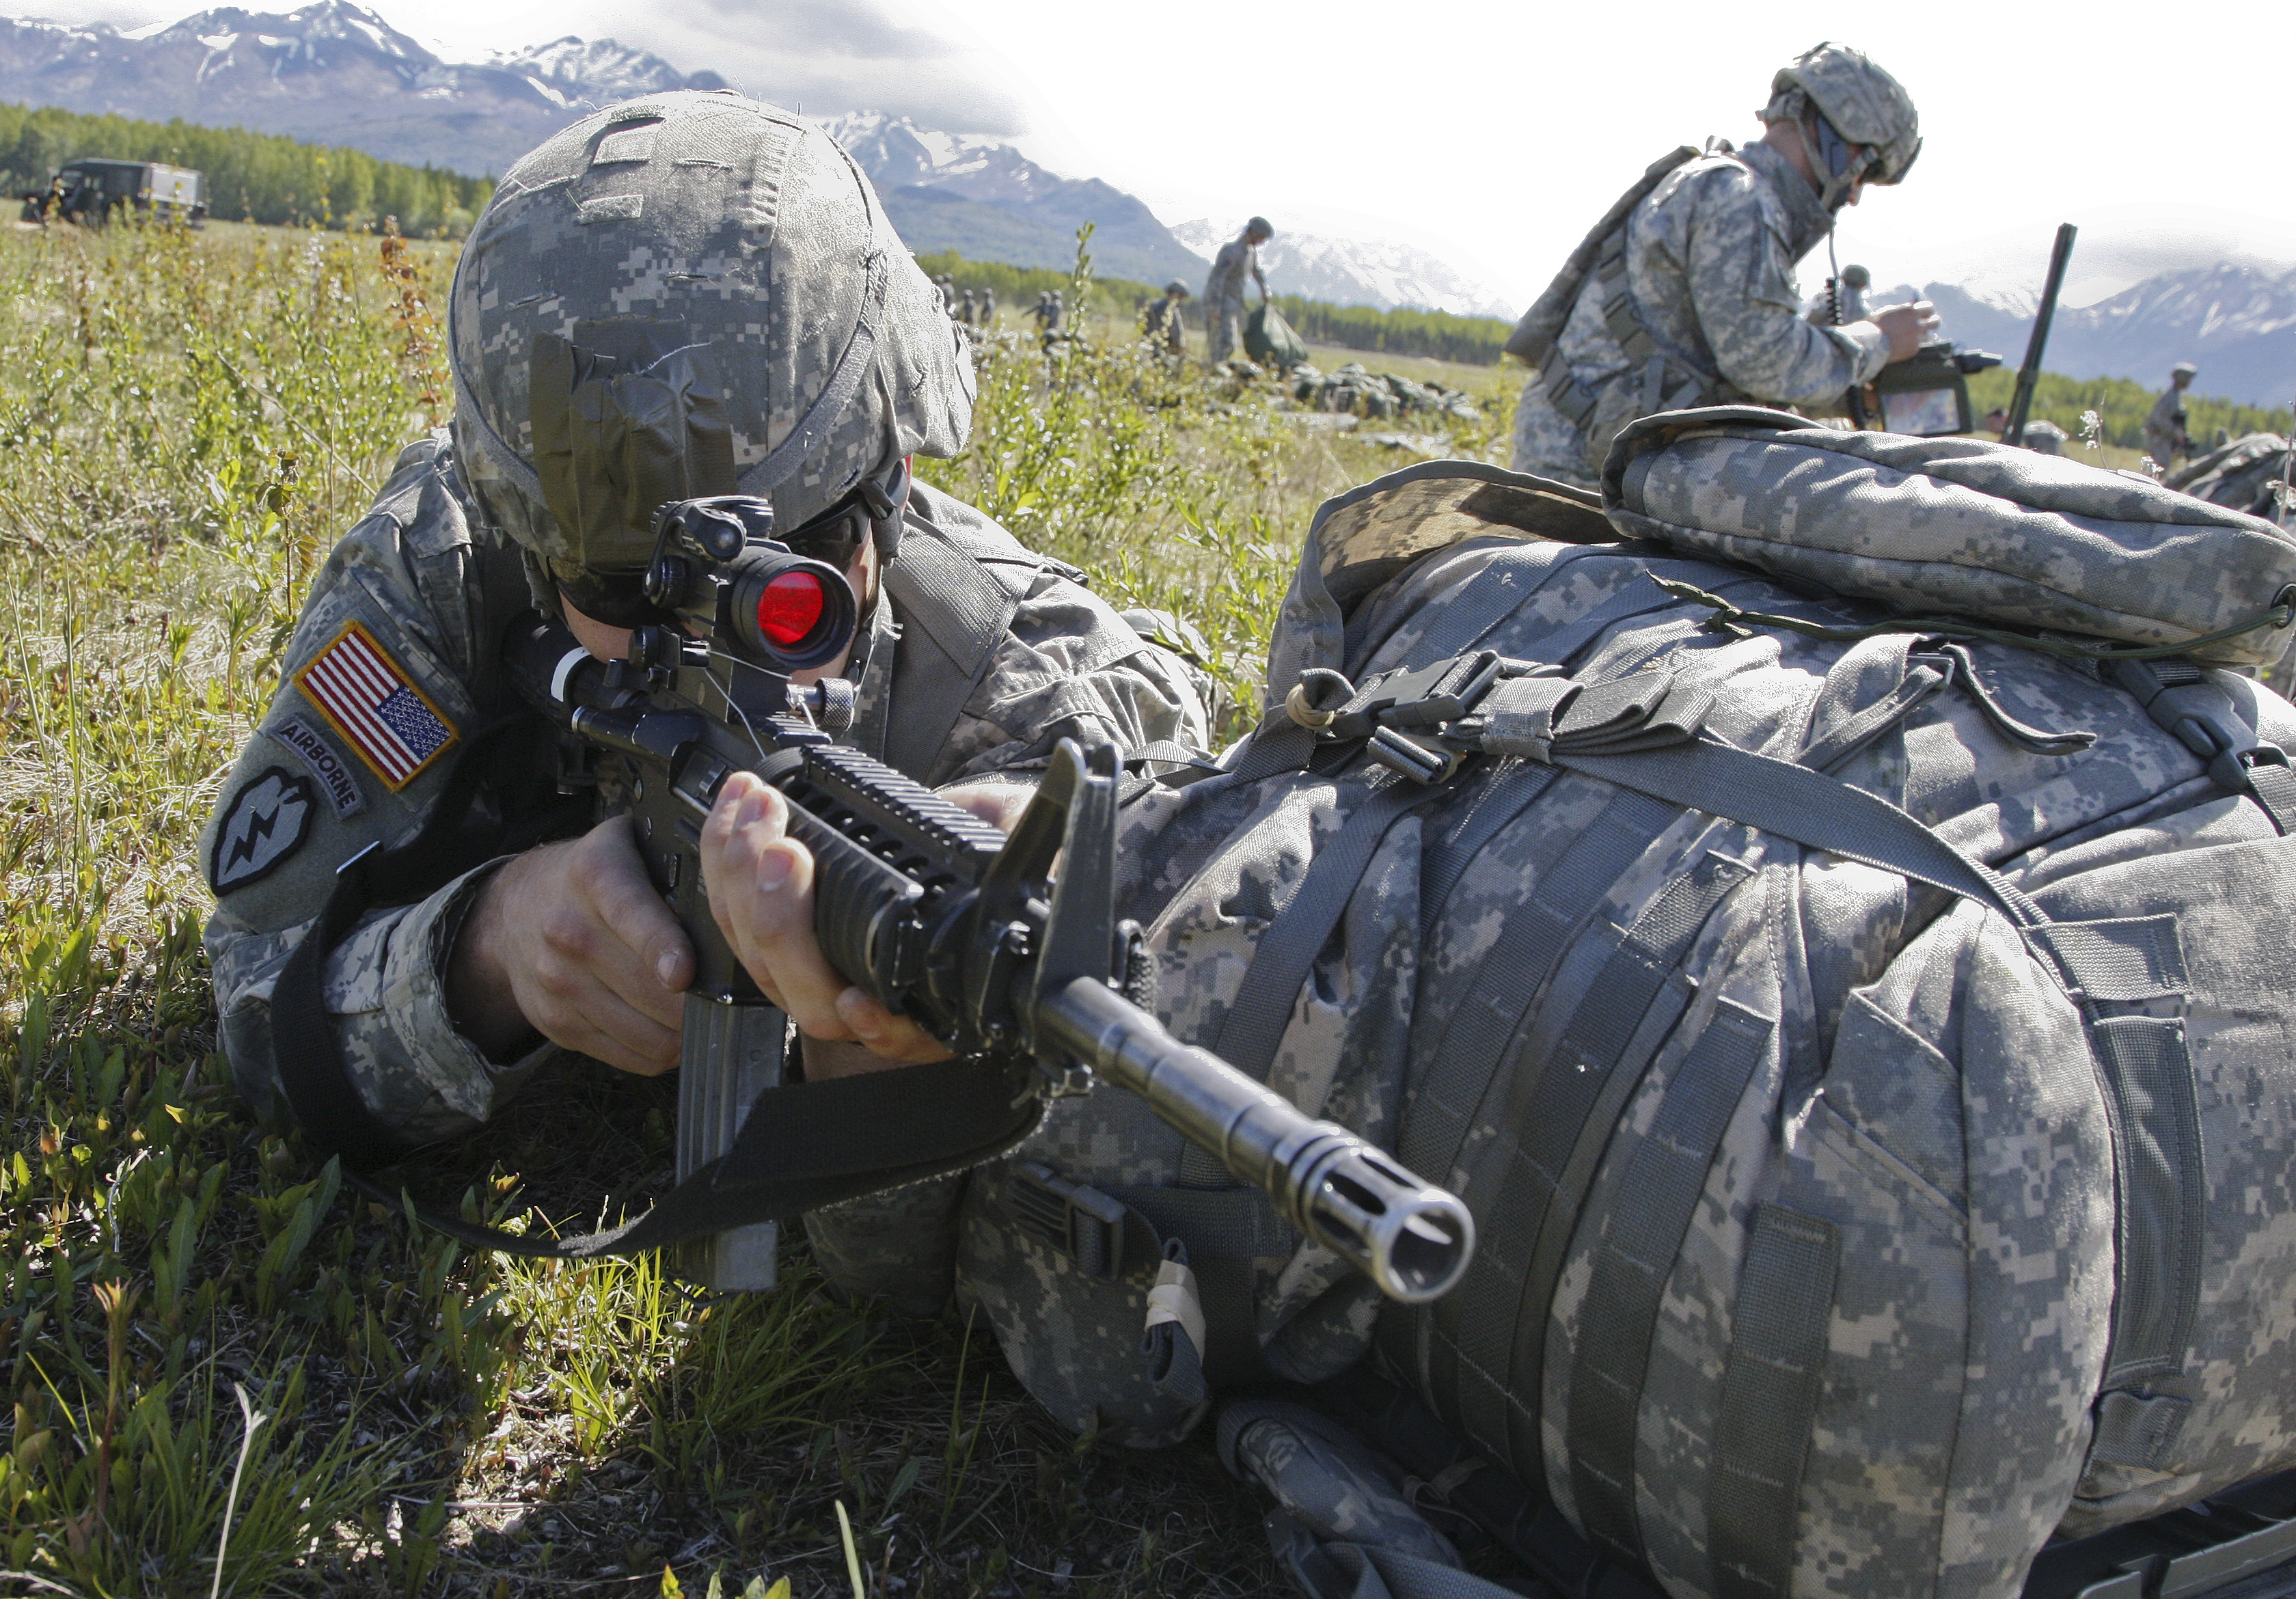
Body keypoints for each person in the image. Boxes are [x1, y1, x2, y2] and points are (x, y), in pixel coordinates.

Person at [200, 90, 1208, 1150]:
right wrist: (487, 953)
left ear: (893, 488)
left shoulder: (1007, 663)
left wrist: (1054, 869)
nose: (701, 646)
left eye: (792, 583)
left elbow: (1188, 816)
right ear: (527, 547)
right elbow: (258, 989)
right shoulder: (444, 572)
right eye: (623, 589)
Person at [1507, 42, 1937, 487]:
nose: (1853, 195)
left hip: (1588, 453)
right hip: (1582, 471)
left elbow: (1723, 369)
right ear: (1837, 139)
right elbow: (1764, 359)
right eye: (1863, 172)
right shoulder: (1741, 199)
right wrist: (1879, 340)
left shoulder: (1729, 188)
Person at [1203, 215, 1272, 365]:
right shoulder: (1232, 252)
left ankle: (1215, 371)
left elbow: (1257, 272)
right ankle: (1212, 373)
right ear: (1252, 233)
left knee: (1228, 345)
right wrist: (1215, 307)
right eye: (1261, 238)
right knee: (1223, 344)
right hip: (1221, 305)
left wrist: (1264, 290)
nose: (1262, 242)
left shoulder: (1251, 253)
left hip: (1233, 305)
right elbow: (1217, 279)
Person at [2146, 361, 2198, 469]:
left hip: (2165, 441)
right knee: (2159, 471)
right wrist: (2175, 432)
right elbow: (2158, 419)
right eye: (2188, 379)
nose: (2189, 382)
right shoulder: (2170, 397)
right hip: (2160, 441)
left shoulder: (2176, 396)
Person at [1142, 278, 1190, 356]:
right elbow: (1177, 336)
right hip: (1163, 352)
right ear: (1177, 295)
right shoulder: (1172, 310)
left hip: (1146, 347)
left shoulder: (1153, 305)